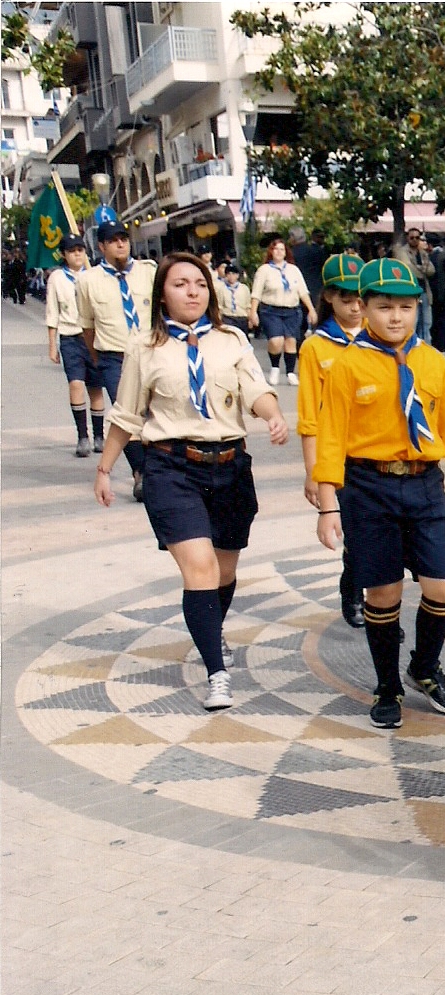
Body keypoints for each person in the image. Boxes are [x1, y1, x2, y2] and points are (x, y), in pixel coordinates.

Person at [93, 252, 290, 710]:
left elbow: (255, 389)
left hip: (230, 466)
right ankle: (216, 672)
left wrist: (274, 416)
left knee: (223, 571)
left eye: (199, 284)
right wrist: (105, 468)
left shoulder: (231, 338)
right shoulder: (144, 346)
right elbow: (126, 414)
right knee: (199, 568)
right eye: (181, 284)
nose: (192, 292)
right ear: (162, 292)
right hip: (172, 467)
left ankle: (210, 633)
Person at [313, 258, 445, 730]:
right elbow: (331, 434)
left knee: (443, 588)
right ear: (363, 307)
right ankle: (387, 684)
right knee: (382, 593)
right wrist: (327, 502)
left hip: (424, 482)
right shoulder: (347, 365)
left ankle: (424, 667)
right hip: (368, 486)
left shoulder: (434, 363)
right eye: (383, 307)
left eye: (405, 307)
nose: (395, 317)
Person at [296, 253, 368, 630]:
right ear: (327, 298)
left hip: (379, 449)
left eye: (361, 297)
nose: (356, 307)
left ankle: (380, 601)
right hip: (340, 455)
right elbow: (310, 418)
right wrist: (313, 472)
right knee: (356, 532)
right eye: (345, 298)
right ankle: (353, 589)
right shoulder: (316, 348)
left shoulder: (384, 336)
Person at [77, 221, 158, 501]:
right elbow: (87, 325)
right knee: (127, 414)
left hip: (152, 352)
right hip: (115, 357)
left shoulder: (149, 272)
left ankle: (160, 468)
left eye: (124, 238)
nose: (121, 244)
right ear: (101, 246)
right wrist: (97, 356)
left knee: (154, 413)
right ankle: (141, 473)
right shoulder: (88, 281)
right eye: (113, 240)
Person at [45, 234, 96, 457]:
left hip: (94, 338)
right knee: (76, 384)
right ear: (64, 255)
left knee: (95, 388)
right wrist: (52, 345)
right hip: (70, 337)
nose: (77, 254)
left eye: (80, 250)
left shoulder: (94, 275)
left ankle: (100, 434)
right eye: (72, 250)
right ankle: (82, 436)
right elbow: (52, 312)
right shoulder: (57, 278)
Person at [249, 236, 316, 386]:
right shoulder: (264, 270)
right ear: (271, 252)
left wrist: (311, 309)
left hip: (292, 310)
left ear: (286, 252)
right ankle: (275, 368)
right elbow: (256, 293)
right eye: (276, 249)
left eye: (282, 249)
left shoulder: (293, 270)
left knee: (291, 341)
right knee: (276, 340)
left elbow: (303, 291)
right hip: (271, 310)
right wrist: (253, 312)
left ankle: (291, 373)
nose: (279, 252)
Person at [216, 263, 251, 335]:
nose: (231, 276)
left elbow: (248, 305)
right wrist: (218, 321)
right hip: (228, 318)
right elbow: (220, 306)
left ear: (237, 275)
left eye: (234, 274)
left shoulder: (244, 288)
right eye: (229, 274)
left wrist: (250, 319)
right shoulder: (221, 289)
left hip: (241, 317)